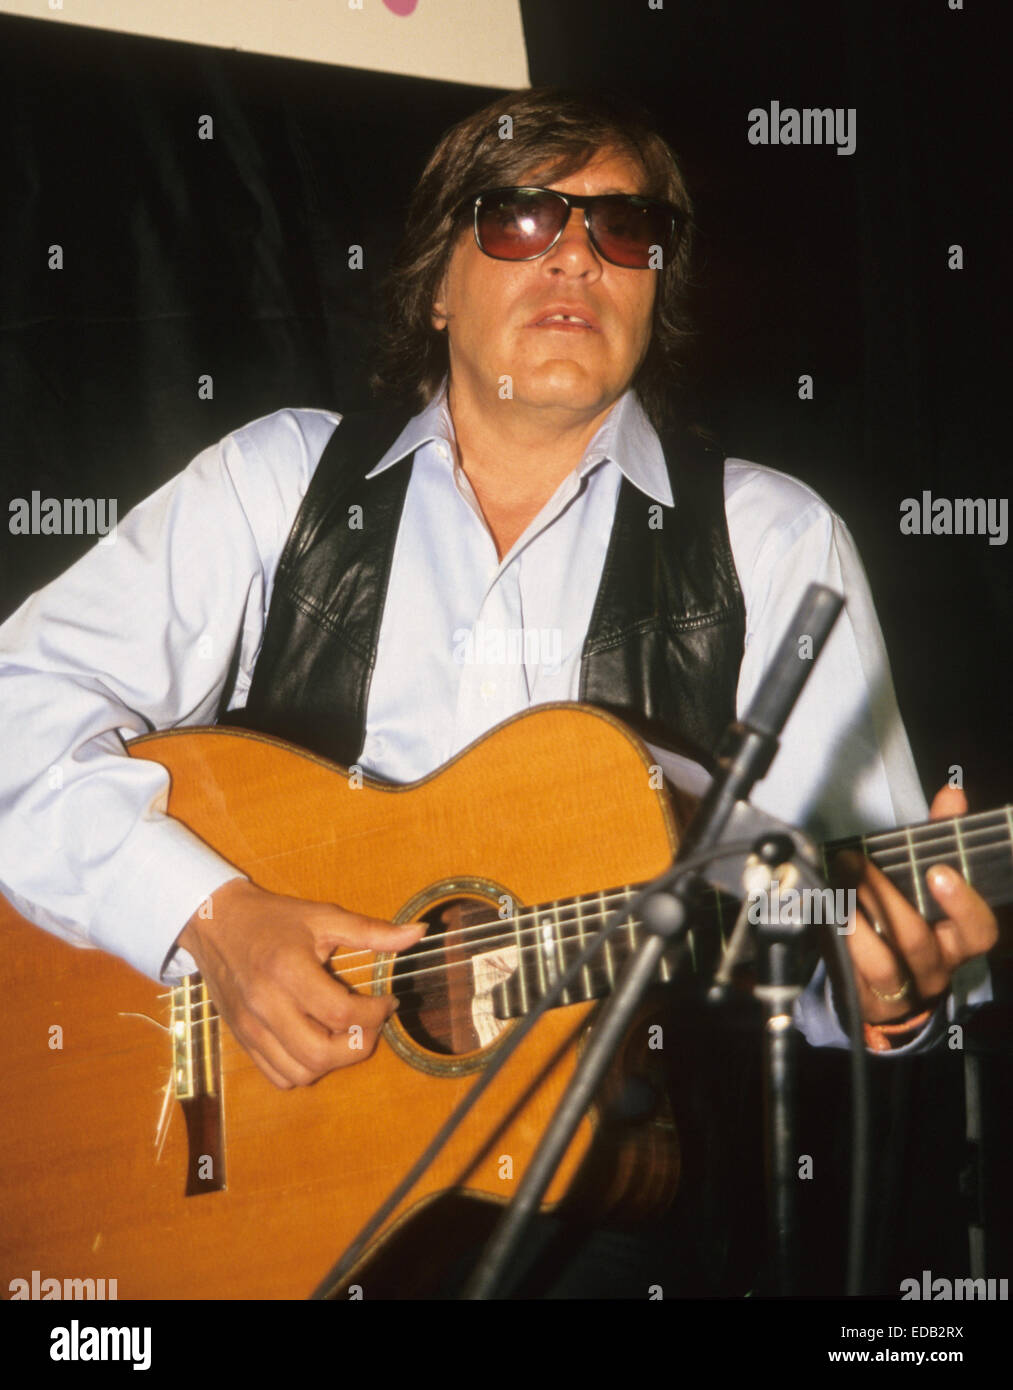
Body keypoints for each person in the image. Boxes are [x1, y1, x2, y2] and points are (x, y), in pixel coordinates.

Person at [0, 88, 997, 1290]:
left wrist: (887, 990)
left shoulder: (772, 540)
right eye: (521, 219)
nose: (576, 252)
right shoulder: (277, 486)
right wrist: (208, 917)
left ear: (652, 292)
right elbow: (19, 701)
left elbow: (840, 942)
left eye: (622, 230)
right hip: (269, 1183)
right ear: (434, 282)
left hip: (623, 1213)